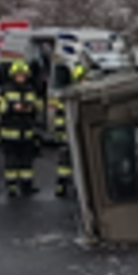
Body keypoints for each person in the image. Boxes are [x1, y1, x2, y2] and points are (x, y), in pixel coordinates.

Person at [0, 59, 44, 199]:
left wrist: (32, 108)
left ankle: (26, 186)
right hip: (10, 132)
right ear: (13, 75)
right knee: (11, 162)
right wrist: (13, 107)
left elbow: (39, 107)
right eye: (19, 75)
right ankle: (11, 187)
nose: (21, 77)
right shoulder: (5, 90)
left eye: (23, 75)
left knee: (26, 162)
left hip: (26, 132)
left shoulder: (31, 90)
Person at [49, 61, 86, 198]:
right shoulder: (71, 96)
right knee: (66, 163)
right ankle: (62, 186)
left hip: (75, 136)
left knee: (75, 164)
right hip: (68, 136)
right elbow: (60, 117)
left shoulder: (77, 95)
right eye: (82, 79)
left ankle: (72, 187)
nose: (84, 81)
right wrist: (61, 133)